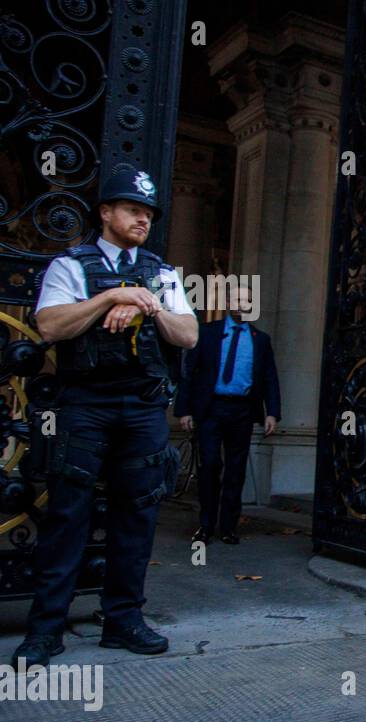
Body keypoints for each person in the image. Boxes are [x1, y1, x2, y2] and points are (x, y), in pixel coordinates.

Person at [8, 168, 199, 670]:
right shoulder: (71, 265)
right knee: (67, 514)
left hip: (141, 406)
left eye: (149, 214)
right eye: (133, 210)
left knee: (137, 515)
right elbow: (49, 325)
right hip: (84, 404)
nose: (143, 220)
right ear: (106, 213)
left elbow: (187, 335)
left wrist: (148, 304)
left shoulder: (161, 273)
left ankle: (123, 620)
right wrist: (112, 296)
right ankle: (46, 628)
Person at [174, 284, 281, 544]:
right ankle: (206, 524)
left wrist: (273, 413)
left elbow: (270, 377)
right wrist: (184, 409)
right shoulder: (207, 333)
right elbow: (189, 371)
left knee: (236, 468)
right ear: (228, 302)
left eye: (246, 299)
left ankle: (228, 527)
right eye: (237, 299)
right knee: (209, 465)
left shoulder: (261, 339)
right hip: (210, 408)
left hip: (242, 411)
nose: (241, 304)